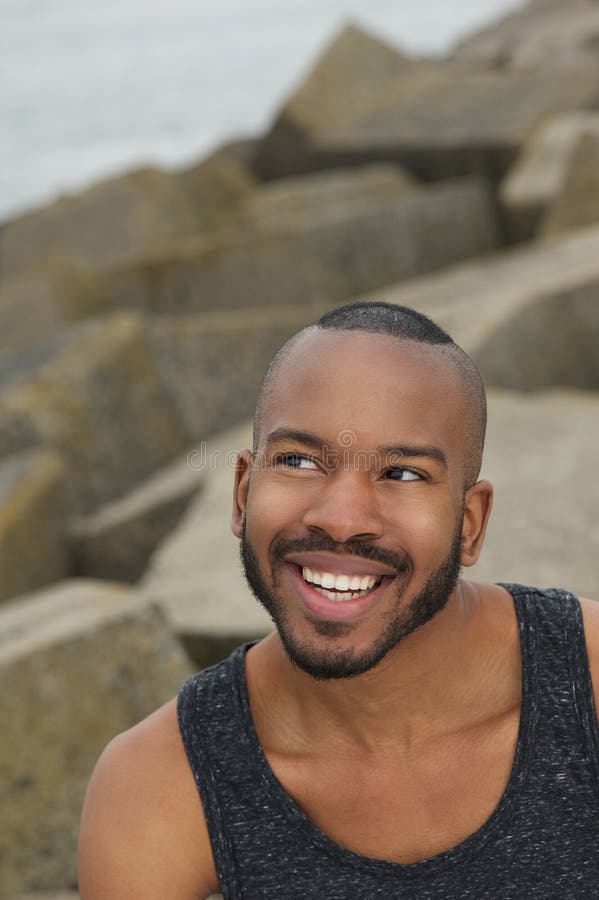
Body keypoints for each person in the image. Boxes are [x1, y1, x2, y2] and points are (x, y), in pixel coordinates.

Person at [78, 301, 599, 899]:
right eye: (298, 461)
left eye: (402, 473)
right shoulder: (160, 786)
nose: (342, 520)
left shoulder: (589, 682)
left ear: (470, 523)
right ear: (242, 494)